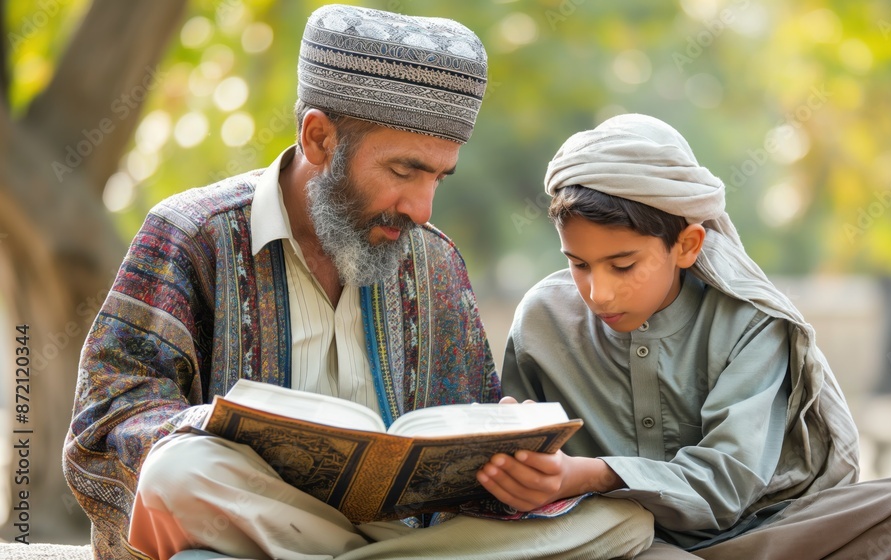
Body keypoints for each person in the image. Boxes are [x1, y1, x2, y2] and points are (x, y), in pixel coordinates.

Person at [63, 6, 652, 560]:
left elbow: (462, 430)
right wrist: (217, 427)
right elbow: (107, 420)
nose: (421, 208)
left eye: (439, 178)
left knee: (626, 523)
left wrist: (507, 447)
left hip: (387, 534)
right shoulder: (193, 235)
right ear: (319, 138)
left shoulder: (435, 263)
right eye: (403, 170)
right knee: (180, 471)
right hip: (249, 511)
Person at [486, 113, 891, 559]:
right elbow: (522, 477)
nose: (599, 293)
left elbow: (726, 484)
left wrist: (589, 475)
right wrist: (515, 454)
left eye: (623, 265)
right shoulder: (542, 321)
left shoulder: (750, 321)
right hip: (619, 542)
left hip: (757, 534)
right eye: (579, 264)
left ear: (687, 245)